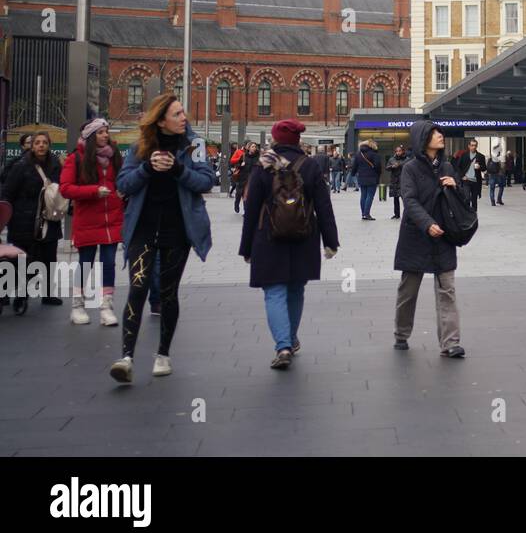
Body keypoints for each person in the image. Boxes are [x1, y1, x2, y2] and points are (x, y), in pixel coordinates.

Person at [110, 95, 216, 383]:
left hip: (177, 229)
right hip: (142, 227)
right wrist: (147, 168)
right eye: (177, 113)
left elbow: (206, 181)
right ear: (161, 120)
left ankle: (163, 354)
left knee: (168, 293)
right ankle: (126, 357)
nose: (184, 117)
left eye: (183, 112)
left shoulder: (194, 146)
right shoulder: (141, 148)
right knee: (137, 286)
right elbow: (123, 184)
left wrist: (177, 169)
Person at [239, 119, 340, 370]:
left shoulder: (263, 166)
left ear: (275, 140)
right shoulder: (310, 166)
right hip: (303, 237)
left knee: (274, 291)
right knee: (296, 289)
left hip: (268, 237)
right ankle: (291, 339)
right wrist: (331, 241)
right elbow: (323, 206)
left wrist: (247, 246)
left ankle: (282, 345)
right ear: (297, 141)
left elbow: (251, 209)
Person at [393, 121, 466, 357]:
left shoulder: (447, 166)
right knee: (408, 291)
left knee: (447, 290)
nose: (440, 136)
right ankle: (401, 333)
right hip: (416, 236)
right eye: (434, 133)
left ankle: (450, 343)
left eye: (440, 132)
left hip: (443, 237)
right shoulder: (410, 169)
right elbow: (410, 200)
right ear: (422, 139)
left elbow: (463, 199)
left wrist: (456, 185)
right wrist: (427, 224)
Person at [58, 117, 124, 326]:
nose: (105, 135)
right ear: (90, 136)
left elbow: (120, 181)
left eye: (106, 131)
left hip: (112, 219)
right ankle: (77, 305)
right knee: (85, 263)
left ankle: (106, 307)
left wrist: (121, 192)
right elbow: (66, 188)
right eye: (101, 132)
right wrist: (94, 191)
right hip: (87, 220)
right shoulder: (76, 158)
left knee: (108, 263)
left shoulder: (114, 156)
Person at [0, 131, 64, 308]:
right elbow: (7, 192)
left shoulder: (55, 165)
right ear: (32, 146)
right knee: (19, 258)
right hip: (23, 219)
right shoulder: (21, 165)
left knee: (49, 256)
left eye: (44, 142)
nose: (41, 145)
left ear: (49, 145)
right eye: (37, 143)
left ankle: (48, 293)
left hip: (48, 218)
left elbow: (61, 189)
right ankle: (6, 293)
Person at [351, 139, 381, 220]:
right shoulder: (374, 154)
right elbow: (378, 166)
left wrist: (353, 174)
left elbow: (354, 166)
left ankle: (363, 214)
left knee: (363, 195)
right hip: (372, 177)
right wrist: (378, 174)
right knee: (370, 196)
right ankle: (366, 214)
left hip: (361, 177)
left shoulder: (358, 154)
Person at [454, 138, 486, 210]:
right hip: (466, 180)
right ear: (469, 146)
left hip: (476, 181)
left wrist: (480, 167)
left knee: (474, 200)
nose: (473, 147)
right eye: (472, 145)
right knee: (467, 198)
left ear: (477, 146)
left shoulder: (481, 156)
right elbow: (457, 167)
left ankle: (474, 215)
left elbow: (484, 168)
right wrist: (462, 176)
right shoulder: (464, 155)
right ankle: (467, 213)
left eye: (475, 145)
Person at [385, 145, 409, 219]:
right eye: (397, 151)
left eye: (400, 151)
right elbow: (387, 168)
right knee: (395, 199)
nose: (398, 152)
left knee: (405, 198)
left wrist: (399, 165)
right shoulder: (392, 159)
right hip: (394, 180)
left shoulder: (407, 159)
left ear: (403, 151)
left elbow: (409, 166)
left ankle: (408, 214)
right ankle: (396, 214)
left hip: (403, 180)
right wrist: (392, 166)